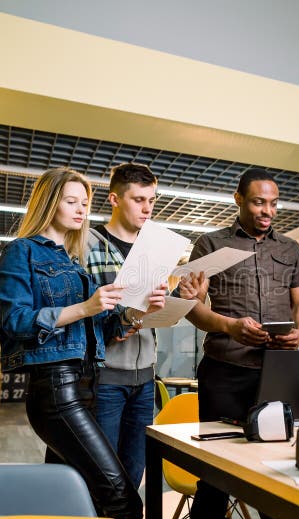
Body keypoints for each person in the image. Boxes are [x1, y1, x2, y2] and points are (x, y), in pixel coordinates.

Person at [0, 168, 164, 519]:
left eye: (85, 203)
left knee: (69, 491)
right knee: (120, 496)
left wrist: (139, 313)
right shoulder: (20, 251)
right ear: (48, 202)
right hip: (56, 391)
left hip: (87, 384)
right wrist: (86, 307)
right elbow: (15, 322)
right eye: (71, 202)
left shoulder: (73, 262)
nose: (80, 210)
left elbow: (100, 331)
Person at [176, 168, 299, 519]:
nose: (268, 210)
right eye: (258, 202)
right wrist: (230, 326)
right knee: (215, 474)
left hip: (278, 374)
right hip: (225, 371)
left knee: (276, 472)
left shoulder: (290, 248)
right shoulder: (211, 245)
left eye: (273, 203)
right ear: (238, 200)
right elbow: (193, 307)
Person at [85, 162, 168, 490]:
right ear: (115, 199)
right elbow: (86, 316)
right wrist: (125, 316)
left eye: (152, 200)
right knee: (103, 474)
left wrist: (178, 299)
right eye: (138, 200)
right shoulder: (87, 246)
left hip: (145, 379)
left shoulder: (154, 249)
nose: (147, 208)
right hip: (105, 379)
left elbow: (155, 310)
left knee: (134, 473)